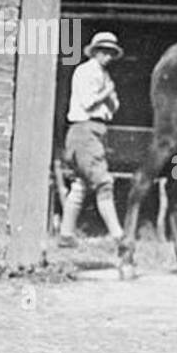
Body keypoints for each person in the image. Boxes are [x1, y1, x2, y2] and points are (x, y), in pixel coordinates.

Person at [58, 32, 125, 246]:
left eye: (111, 53)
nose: (108, 56)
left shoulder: (105, 75)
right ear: (94, 51)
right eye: (104, 51)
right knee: (104, 183)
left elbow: (114, 107)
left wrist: (110, 95)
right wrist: (107, 92)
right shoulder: (85, 71)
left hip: (96, 130)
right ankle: (119, 238)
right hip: (84, 129)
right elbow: (88, 102)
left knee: (81, 184)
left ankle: (66, 235)